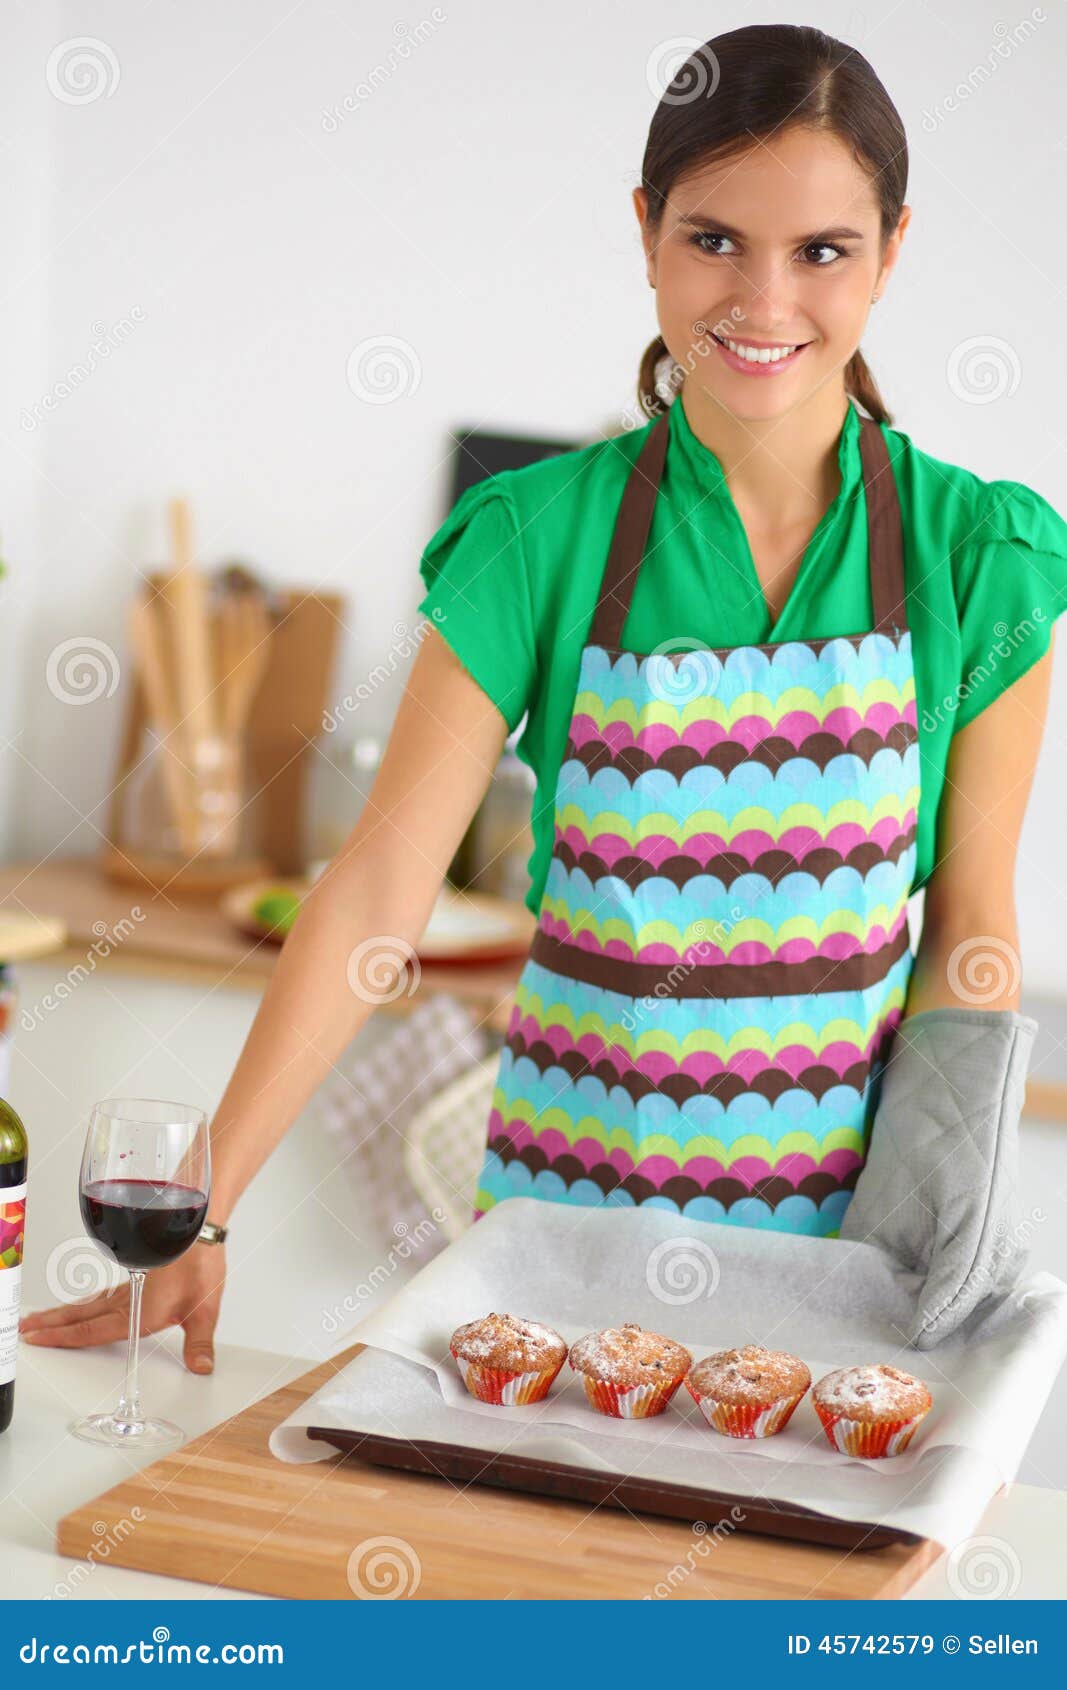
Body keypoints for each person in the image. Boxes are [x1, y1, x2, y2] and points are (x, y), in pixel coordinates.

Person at [21, 23, 1067, 1372]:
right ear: (645, 233)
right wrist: (203, 1211)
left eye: (822, 250)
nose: (763, 299)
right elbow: (377, 891)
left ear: (892, 251)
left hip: (833, 1282)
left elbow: (972, 936)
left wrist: (943, 1247)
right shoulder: (537, 538)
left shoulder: (975, 557)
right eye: (712, 240)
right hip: (551, 1258)